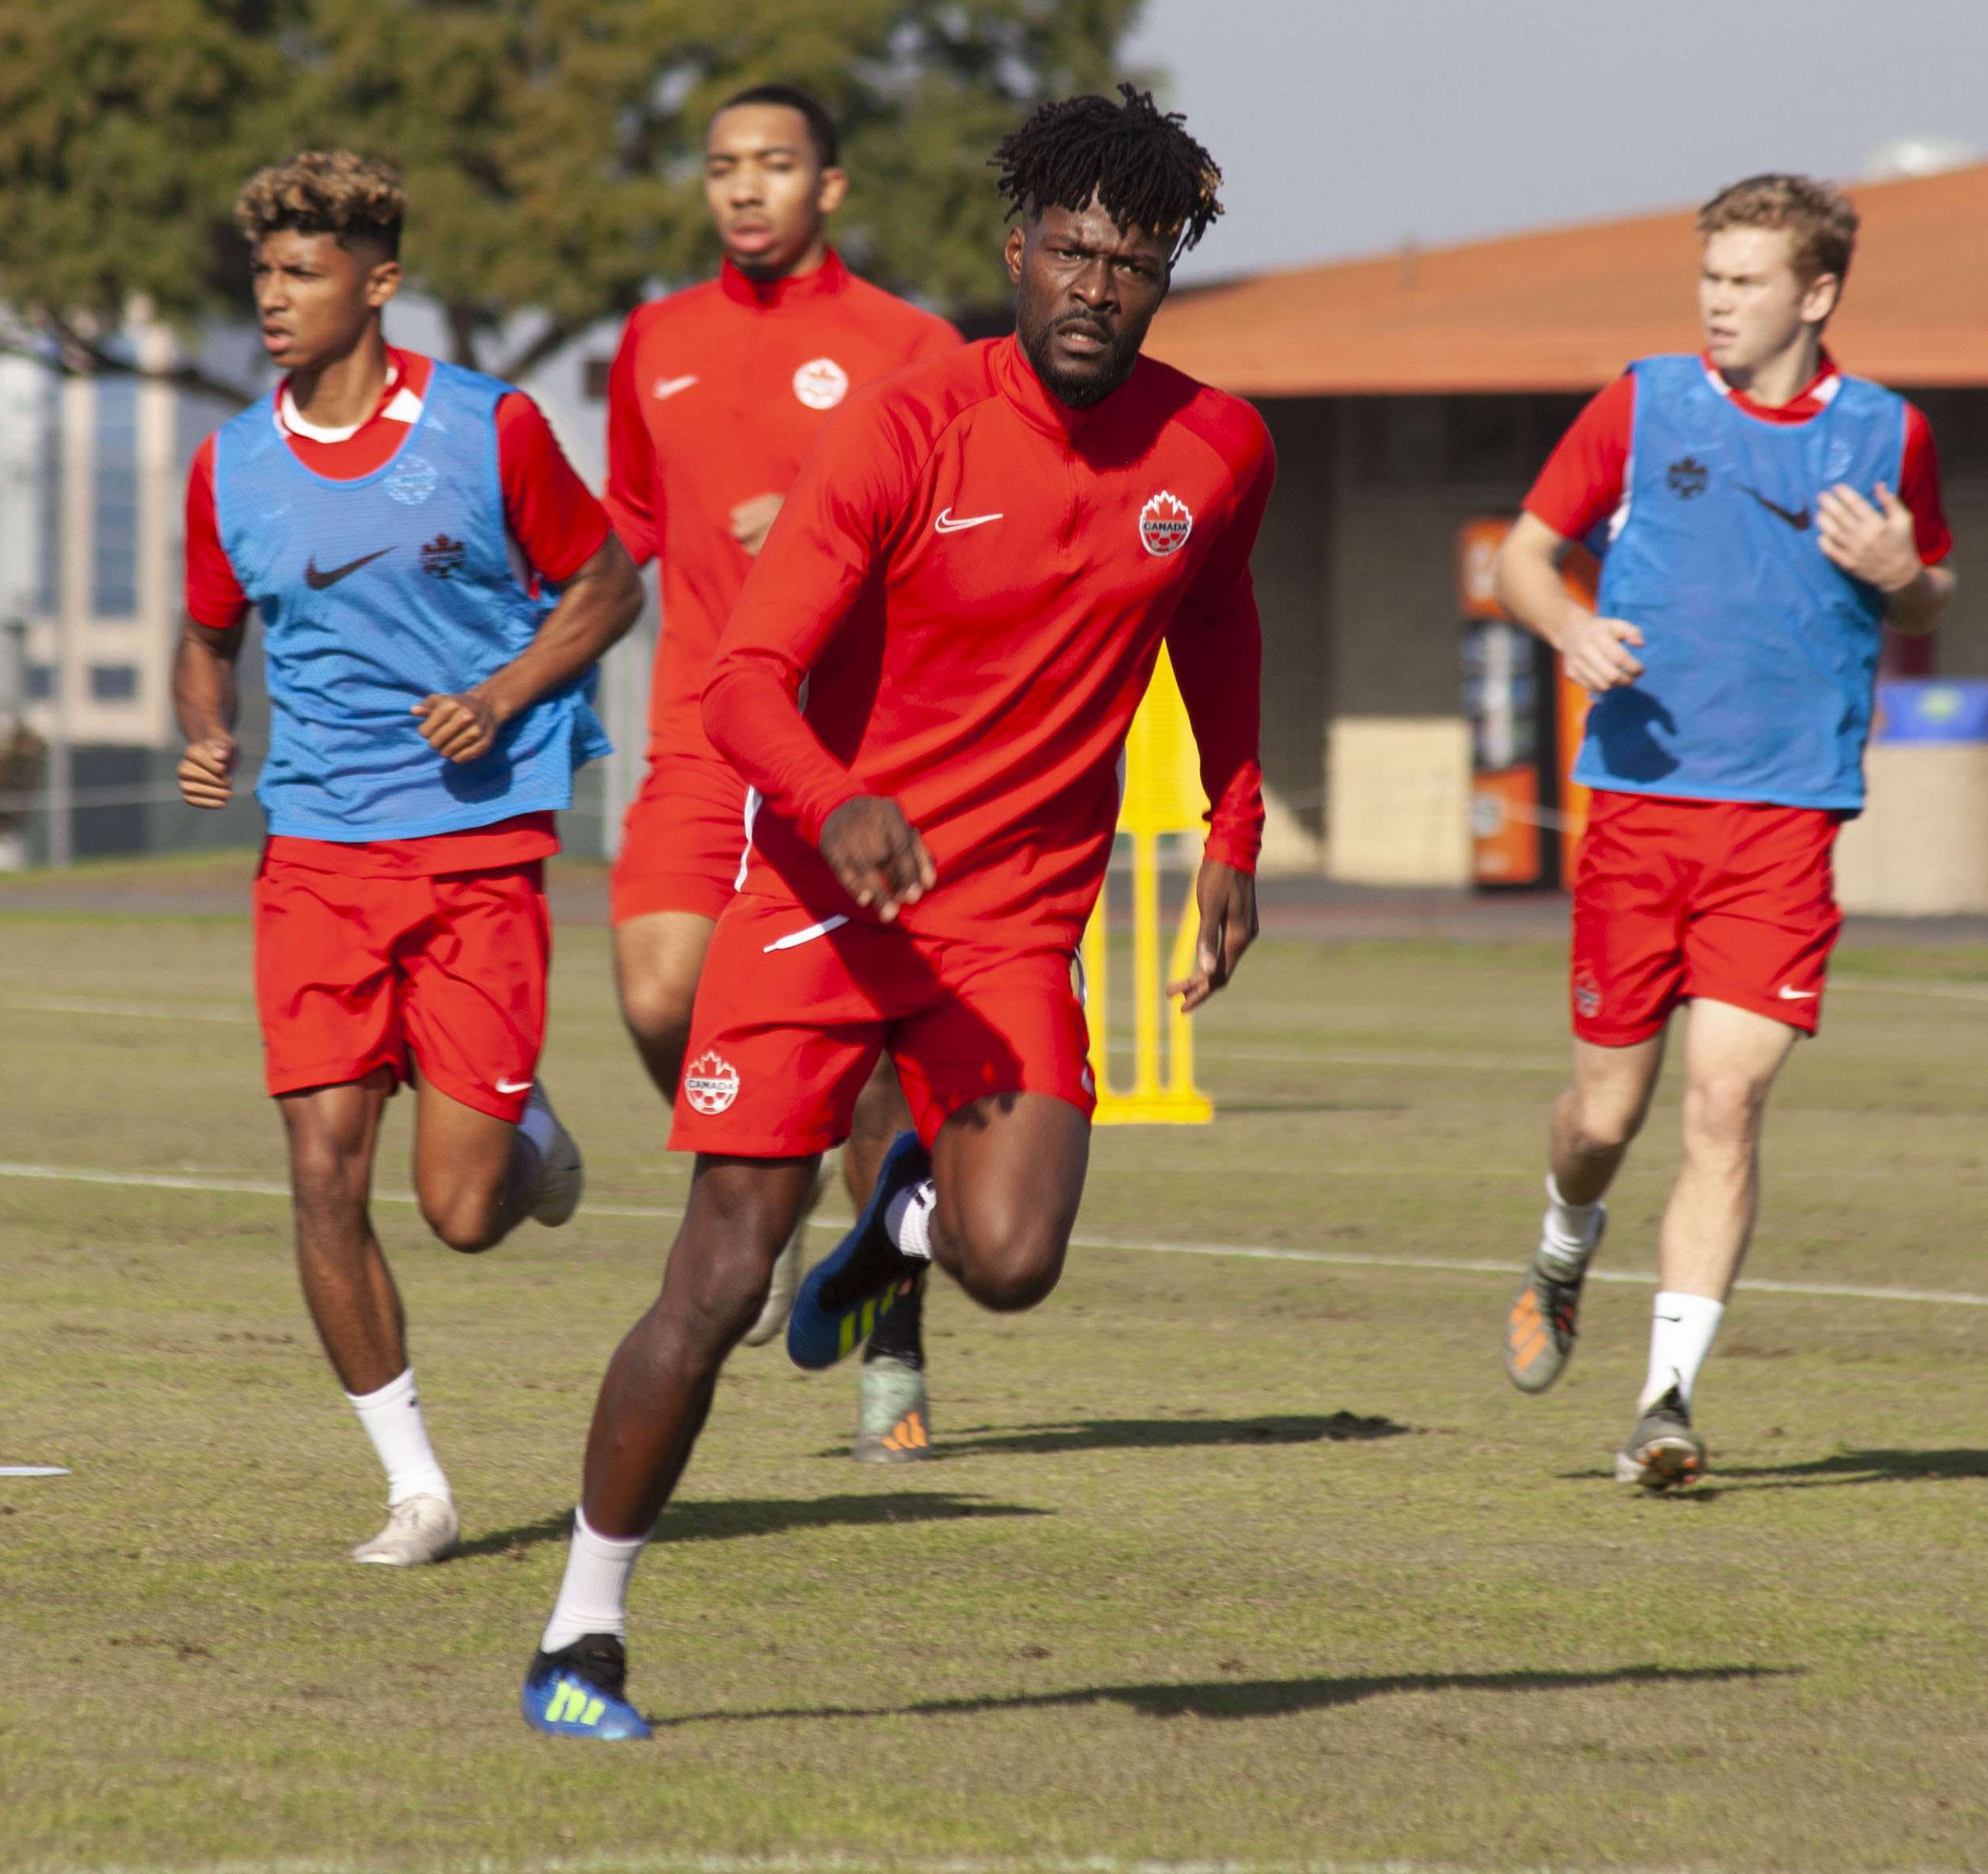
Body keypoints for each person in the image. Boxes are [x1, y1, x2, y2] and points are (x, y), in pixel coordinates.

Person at [523, 88, 1269, 1740]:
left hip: (1008, 926)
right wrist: (835, 802)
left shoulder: (1218, 450)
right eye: (1070, 253)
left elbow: (1215, 623)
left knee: (1016, 1262)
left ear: (1164, 280)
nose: (1094, 289)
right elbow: (743, 680)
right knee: (718, 1282)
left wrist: (1234, 821)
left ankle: (900, 1224)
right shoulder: (906, 425)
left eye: (1130, 265)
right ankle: (582, 1630)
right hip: (819, 901)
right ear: (1015, 252)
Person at [173, 150, 644, 1565]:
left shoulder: (490, 429)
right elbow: (206, 637)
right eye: (263, 272)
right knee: (323, 1169)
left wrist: (501, 698)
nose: (273, 297)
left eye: (303, 272)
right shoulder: (231, 463)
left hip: (477, 849)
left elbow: (608, 585)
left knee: (463, 1213)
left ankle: (528, 1136)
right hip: (315, 856)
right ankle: (416, 1491)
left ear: (378, 283)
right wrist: (207, 730)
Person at [1490, 172, 1955, 1491]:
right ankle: (1565, 1241)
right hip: (1640, 813)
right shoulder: (1641, 406)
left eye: (1746, 282)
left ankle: (1666, 1403)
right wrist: (1570, 627)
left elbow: (1931, 591)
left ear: (1817, 294)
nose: (1717, 303)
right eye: (1709, 278)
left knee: (1726, 1105)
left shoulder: (1890, 434)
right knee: (1604, 1115)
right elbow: (1523, 557)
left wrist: (1904, 577)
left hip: (1786, 824)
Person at [602, 84, 963, 1461]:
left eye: (775, 164)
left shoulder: (911, 348)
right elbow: (629, 525)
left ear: (832, 186)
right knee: (656, 993)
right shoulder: (657, 339)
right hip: (705, 736)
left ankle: (893, 1356)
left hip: (857, 750)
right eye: (722, 167)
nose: (745, 188)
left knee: (875, 1077)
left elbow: (960, 541)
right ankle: (770, 1164)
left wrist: (829, 522)